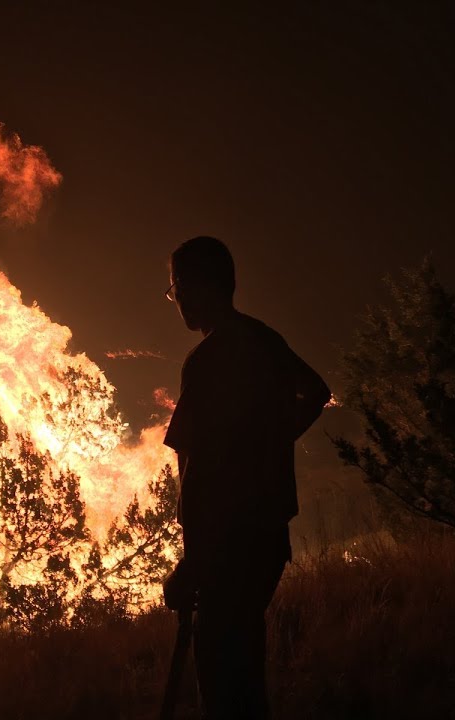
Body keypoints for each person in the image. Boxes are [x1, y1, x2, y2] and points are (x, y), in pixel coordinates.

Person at [161, 235, 331, 719]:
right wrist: (274, 439)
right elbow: (317, 392)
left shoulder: (207, 359)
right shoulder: (263, 338)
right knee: (246, 670)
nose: (177, 300)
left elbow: (197, 471)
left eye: (176, 288)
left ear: (200, 286)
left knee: (221, 677)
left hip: (225, 548)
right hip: (267, 537)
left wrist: (192, 563)